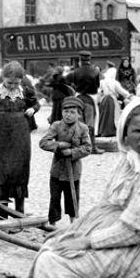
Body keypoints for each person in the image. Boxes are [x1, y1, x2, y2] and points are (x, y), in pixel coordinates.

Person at [27, 97, 140, 278]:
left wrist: (87, 242)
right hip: (120, 240)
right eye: (137, 131)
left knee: (53, 262)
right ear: (125, 134)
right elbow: (108, 204)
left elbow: (135, 230)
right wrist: (77, 230)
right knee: (52, 246)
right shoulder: (133, 157)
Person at [0, 61, 39, 215]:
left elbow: (36, 104)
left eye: (16, 83)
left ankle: (19, 210)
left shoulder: (26, 91)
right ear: (3, 78)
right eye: (9, 82)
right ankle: (2, 211)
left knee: (20, 167)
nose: (12, 86)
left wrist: (32, 109)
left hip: (20, 135)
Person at [39, 96, 92, 228]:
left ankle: (74, 221)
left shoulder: (83, 128)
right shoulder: (56, 125)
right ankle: (53, 222)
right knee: (55, 198)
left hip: (73, 171)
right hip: (57, 170)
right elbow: (43, 143)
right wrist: (58, 145)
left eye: (72, 112)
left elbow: (87, 148)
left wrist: (73, 152)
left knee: (72, 198)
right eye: (65, 112)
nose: (68, 115)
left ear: (79, 114)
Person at [66, 51, 102, 153]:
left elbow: (66, 81)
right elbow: (97, 86)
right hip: (90, 99)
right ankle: (92, 147)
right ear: (89, 60)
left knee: (78, 123)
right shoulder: (95, 71)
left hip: (78, 99)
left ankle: (79, 147)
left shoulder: (75, 72)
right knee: (90, 125)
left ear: (80, 60)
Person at [97, 63, 131, 137]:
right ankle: (111, 131)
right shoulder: (115, 82)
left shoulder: (102, 82)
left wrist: (99, 100)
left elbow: (99, 92)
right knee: (113, 116)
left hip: (104, 99)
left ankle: (102, 130)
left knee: (103, 115)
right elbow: (122, 92)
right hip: (112, 100)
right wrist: (129, 96)